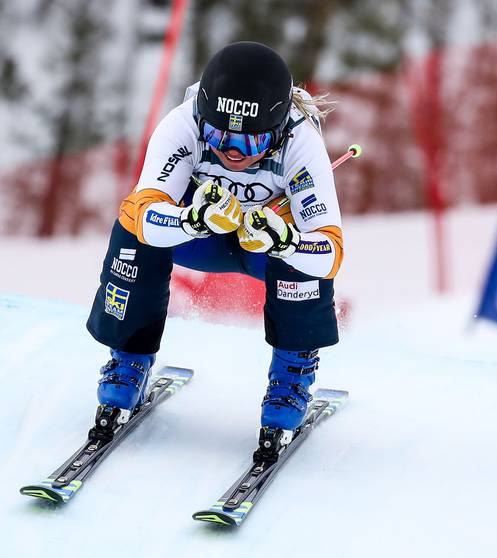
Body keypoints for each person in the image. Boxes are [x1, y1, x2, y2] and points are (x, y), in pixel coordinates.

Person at [85, 42, 343, 458]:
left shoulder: (301, 143)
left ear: (279, 130)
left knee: (307, 263)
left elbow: (330, 252)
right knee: (132, 233)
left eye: (254, 140)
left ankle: (290, 379)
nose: (233, 152)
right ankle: (129, 359)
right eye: (218, 134)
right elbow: (140, 211)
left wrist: (286, 240)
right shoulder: (181, 124)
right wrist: (190, 220)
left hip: (263, 251)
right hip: (199, 240)